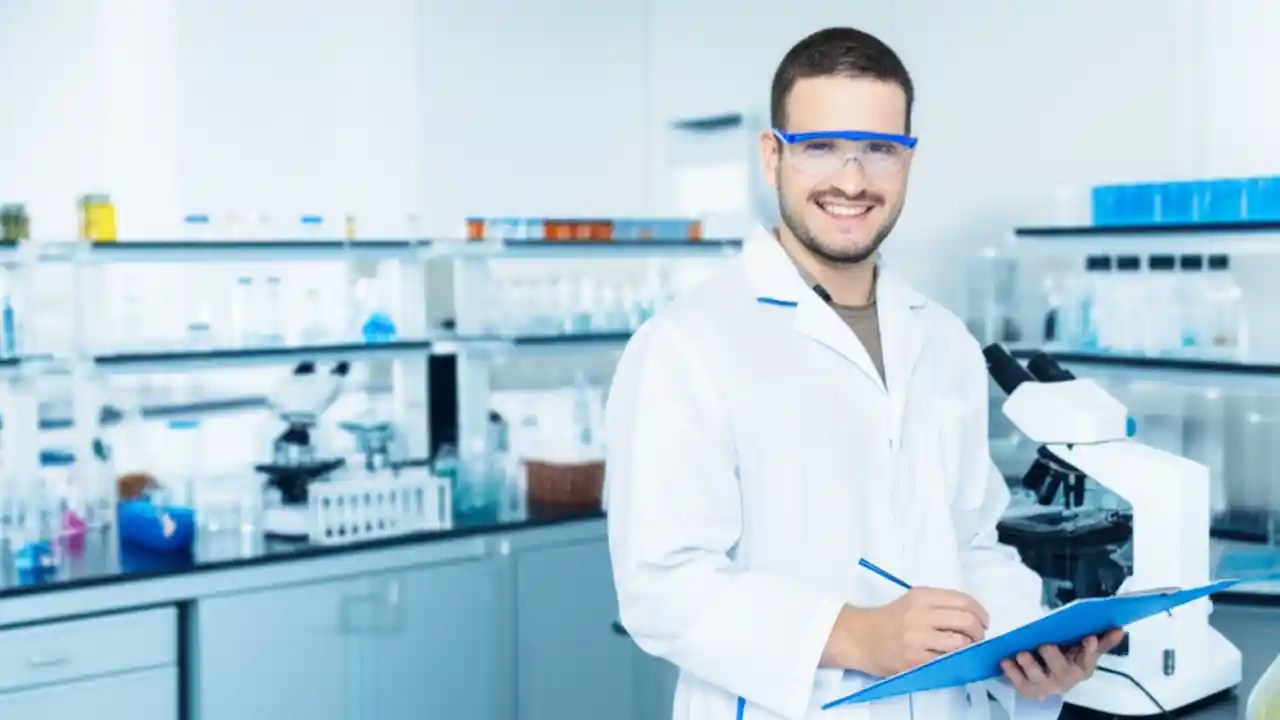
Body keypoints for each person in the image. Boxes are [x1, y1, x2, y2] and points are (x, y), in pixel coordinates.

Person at [604, 26, 1125, 720]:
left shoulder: (940, 338)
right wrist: (858, 634)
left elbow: (970, 543)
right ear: (772, 156)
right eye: (821, 147)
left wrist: (1028, 652)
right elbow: (660, 588)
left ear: (908, 161)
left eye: (880, 150)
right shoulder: (687, 344)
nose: (852, 181)